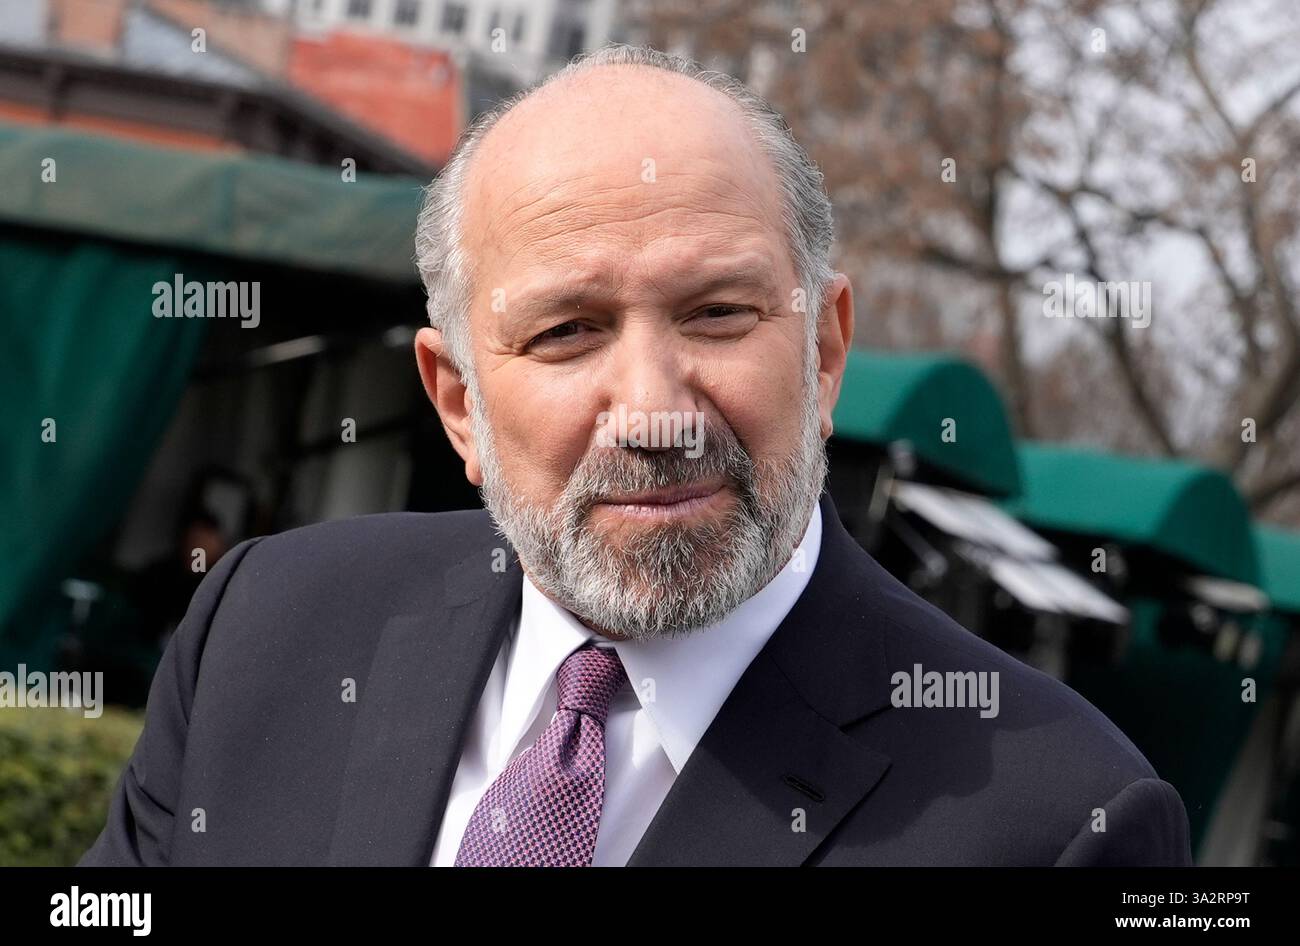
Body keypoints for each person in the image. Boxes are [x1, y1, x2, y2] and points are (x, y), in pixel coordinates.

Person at [80, 44, 1190, 867]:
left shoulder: (1064, 823)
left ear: (824, 350)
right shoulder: (265, 631)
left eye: (716, 312)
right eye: (566, 331)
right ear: (457, 401)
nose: (655, 413)